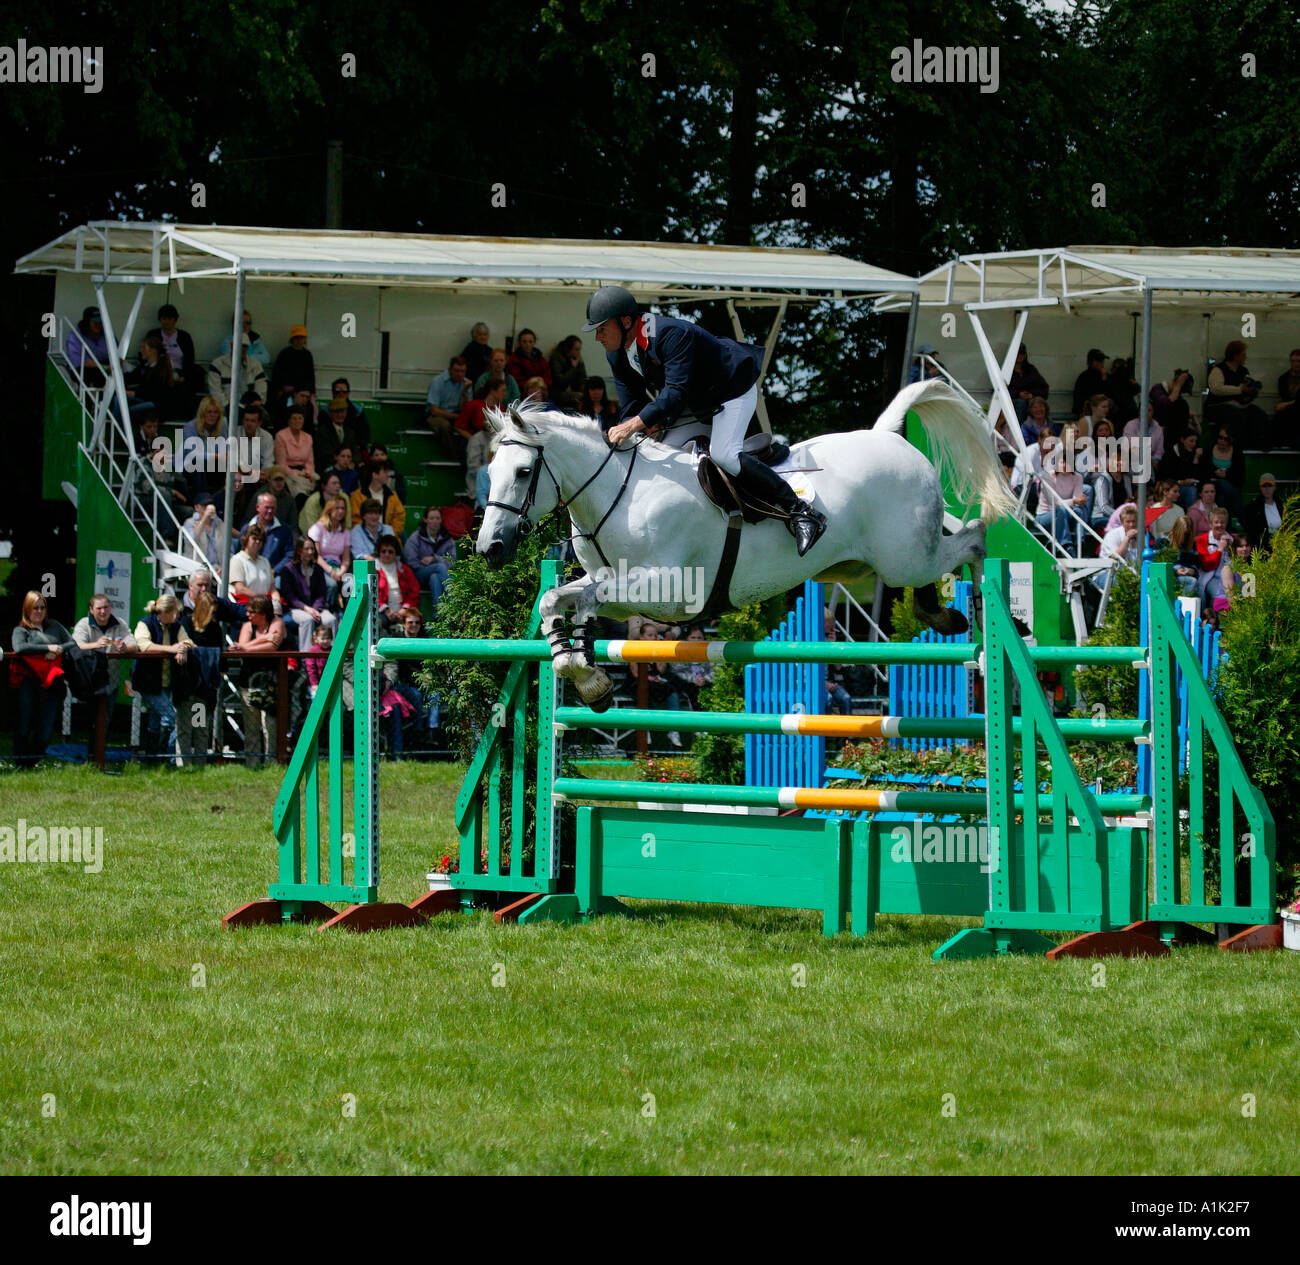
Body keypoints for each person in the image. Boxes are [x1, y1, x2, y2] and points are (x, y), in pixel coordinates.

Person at [585, 284, 826, 554]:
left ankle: (802, 512)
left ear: (626, 321)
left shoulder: (671, 334)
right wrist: (637, 427)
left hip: (731, 390)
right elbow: (631, 402)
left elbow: (675, 392)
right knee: (660, 455)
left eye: (602, 329)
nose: (598, 337)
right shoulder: (616, 353)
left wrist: (633, 425)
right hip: (695, 400)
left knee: (724, 455)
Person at [10, 592, 76, 767]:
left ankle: (30, 762)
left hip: (51, 683)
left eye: (42, 607)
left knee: (45, 731)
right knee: (24, 724)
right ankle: (20, 764)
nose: (39, 611)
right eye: (35, 608)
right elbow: (20, 647)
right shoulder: (21, 630)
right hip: (29, 682)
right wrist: (46, 647)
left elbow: (72, 642)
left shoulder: (54, 625)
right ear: (27, 609)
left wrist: (57, 649)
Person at [131, 592, 192, 760]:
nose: (178, 615)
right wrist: (172, 649)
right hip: (148, 680)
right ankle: (169, 757)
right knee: (171, 718)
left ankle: (152, 758)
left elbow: (188, 641)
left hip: (166, 680)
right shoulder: (145, 624)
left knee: (156, 720)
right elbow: (144, 645)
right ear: (165, 612)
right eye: (175, 612)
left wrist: (183, 649)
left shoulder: (176, 626)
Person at [175, 586, 225, 766]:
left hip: (203, 689)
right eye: (211, 612)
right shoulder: (186, 624)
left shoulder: (215, 629)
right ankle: (183, 764)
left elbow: (219, 656)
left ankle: (200, 763)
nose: (213, 616)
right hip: (186, 686)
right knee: (184, 727)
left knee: (200, 726)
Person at [72, 593, 138, 723]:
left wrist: (125, 647)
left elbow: (134, 645)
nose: (103, 611)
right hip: (89, 681)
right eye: (99, 608)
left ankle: (100, 742)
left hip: (110, 682)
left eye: (106, 607)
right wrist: (96, 645)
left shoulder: (119, 623)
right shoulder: (83, 624)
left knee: (105, 720)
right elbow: (76, 646)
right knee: (91, 720)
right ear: (91, 609)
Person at [236, 595, 285, 769]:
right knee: (251, 727)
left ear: (262, 613)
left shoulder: (277, 622)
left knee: (270, 726)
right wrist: (262, 639)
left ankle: (271, 763)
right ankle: (252, 764)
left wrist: (248, 646)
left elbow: (272, 646)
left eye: (251, 612)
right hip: (248, 682)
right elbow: (241, 649)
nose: (248, 615)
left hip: (270, 684)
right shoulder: (247, 626)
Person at [1206, 339, 1268, 448]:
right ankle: (1238, 445)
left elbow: (1245, 390)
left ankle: (1258, 443)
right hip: (1217, 406)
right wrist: (1239, 389)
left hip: (1239, 405)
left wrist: (1251, 392)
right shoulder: (1219, 369)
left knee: (1259, 414)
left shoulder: (1243, 371)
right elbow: (1216, 389)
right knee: (1236, 416)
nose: (1245, 357)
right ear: (1235, 356)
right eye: (1243, 354)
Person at [280, 537, 338, 651]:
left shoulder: (317, 569)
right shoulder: (288, 569)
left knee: (331, 619)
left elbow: (322, 594)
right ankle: (306, 657)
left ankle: (333, 656)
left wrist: (315, 609)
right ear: (299, 550)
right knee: (307, 620)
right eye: (306, 549)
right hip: (296, 608)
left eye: (312, 549)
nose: (310, 552)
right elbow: (289, 596)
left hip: (316, 608)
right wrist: (307, 609)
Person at [145, 304, 199, 415]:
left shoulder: (185, 337)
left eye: (170, 319)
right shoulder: (153, 335)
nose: (167, 322)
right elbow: (146, 354)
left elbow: (190, 359)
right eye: (164, 318)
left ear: (175, 320)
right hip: (158, 372)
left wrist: (184, 376)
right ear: (160, 319)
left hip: (178, 373)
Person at [124, 333, 186, 420]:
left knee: (126, 411)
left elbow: (152, 393)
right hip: (146, 399)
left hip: (157, 404)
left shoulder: (161, 369)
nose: (141, 350)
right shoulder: (145, 367)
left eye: (144, 348)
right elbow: (131, 377)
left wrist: (130, 393)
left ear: (153, 350)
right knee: (118, 401)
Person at [403, 505, 456, 605]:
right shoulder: (416, 537)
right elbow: (411, 562)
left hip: (440, 576)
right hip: (419, 574)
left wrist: (434, 559)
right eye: (431, 518)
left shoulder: (447, 538)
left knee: (434, 577)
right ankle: (453, 602)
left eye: (437, 518)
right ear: (425, 520)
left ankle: (437, 615)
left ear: (441, 520)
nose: (435, 521)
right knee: (439, 567)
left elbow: (452, 562)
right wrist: (426, 565)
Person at [307, 494, 354, 607]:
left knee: (350, 583)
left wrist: (341, 572)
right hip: (321, 567)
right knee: (332, 585)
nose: (340, 511)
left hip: (338, 567)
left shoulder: (344, 532)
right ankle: (330, 611)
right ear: (329, 509)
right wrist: (331, 572)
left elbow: (346, 558)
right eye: (337, 508)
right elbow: (316, 556)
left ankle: (348, 616)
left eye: (343, 508)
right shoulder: (318, 528)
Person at [238, 492, 294, 575]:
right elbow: (239, 551)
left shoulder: (285, 530)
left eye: (273, 508)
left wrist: (275, 571)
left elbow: (289, 555)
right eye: (267, 507)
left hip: (275, 574)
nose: (270, 511)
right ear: (258, 507)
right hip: (249, 572)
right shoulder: (247, 529)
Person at [206, 334, 268, 408]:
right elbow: (215, 392)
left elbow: (261, 392)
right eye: (239, 345)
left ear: (248, 348)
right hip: (223, 410)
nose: (242, 348)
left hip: (250, 411)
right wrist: (228, 408)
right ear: (231, 345)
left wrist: (250, 408)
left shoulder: (256, 366)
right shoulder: (217, 364)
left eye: (244, 346)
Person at [349, 460, 406, 539]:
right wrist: (368, 535)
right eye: (385, 472)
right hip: (363, 540)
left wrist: (390, 534)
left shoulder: (393, 496)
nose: (388, 475)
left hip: (389, 541)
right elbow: (355, 519)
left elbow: (399, 517)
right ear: (375, 475)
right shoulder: (357, 496)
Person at [425, 356, 472, 450]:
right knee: (444, 425)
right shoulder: (438, 382)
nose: (460, 374)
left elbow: (466, 411)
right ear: (450, 370)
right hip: (437, 416)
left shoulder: (466, 383)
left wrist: (464, 394)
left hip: (456, 416)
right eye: (457, 371)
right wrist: (456, 417)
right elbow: (434, 410)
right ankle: (453, 455)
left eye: (463, 371)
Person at [274, 404, 317, 500]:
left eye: (300, 418)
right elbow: (281, 464)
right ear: (288, 420)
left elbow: (310, 462)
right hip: (288, 474)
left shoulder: (308, 437)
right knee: (299, 493)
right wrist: (297, 474)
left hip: (305, 473)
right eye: (294, 418)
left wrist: (308, 472)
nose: (297, 421)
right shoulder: (281, 436)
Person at [374, 535, 419, 627]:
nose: (387, 554)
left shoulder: (405, 570)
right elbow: (372, 594)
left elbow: (415, 592)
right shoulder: (373, 570)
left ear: (396, 554)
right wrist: (387, 610)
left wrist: (405, 609)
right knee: (377, 623)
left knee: (415, 622)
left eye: (390, 552)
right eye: (383, 551)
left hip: (404, 612)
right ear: (379, 552)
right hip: (382, 612)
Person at [270, 325, 315, 416]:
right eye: (296, 337)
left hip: (303, 392)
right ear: (292, 339)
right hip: (287, 392)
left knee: (308, 412)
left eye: (301, 337)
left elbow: (311, 374)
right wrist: (278, 390)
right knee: (286, 412)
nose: (299, 340)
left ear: (304, 339)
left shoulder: (307, 355)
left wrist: (312, 392)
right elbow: (277, 374)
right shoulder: (284, 353)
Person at [1203, 424, 1245, 518]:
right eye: (1220, 437)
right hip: (1211, 485)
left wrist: (1226, 475)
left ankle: (1227, 525)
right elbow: (1203, 471)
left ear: (1231, 440)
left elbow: (1240, 478)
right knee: (1222, 485)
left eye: (1225, 439)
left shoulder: (1237, 453)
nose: (1222, 441)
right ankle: (1241, 519)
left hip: (1230, 486)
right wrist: (1215, 474)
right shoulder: (1209, 450)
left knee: (1222, 498)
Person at [230, 523, 276, 607]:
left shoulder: (265, 561)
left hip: (266, 605)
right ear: (246, 539)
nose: (258, 542)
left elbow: (272, 588)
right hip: (247, 606)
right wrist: (262, 599)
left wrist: (277, 602)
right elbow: (240, 589)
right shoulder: (237, 560)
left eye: (260, 540)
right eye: (254, 538)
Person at [1157, 428, 1206, 508]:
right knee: (1191, 491)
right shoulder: (1171, 454)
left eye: (1195, 442)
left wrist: (1196, 458)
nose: (1194, 444)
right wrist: (1180, 482)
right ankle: (1190, 517)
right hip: (1171, 488)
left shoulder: (1195, 453)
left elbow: (1197, 475)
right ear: (1182, 440)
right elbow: (1164, 476)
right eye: (1191, 441)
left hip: (1189, 487)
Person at [319, 377, 370, 451]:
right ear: (333, 393)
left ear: (348, 393)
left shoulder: (358, 411)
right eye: (337, 391)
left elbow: (364, 437)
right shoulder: (324, 412)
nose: (341, 394)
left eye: (344, 391)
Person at [1195, 508, 1234, 601]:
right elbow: (1206, 566)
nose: (1219, 525)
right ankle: (1216, 615)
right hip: (1210, 578)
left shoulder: (1232, 540)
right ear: (1210, 524)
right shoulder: (1202, 540)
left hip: (1231, 576)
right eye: (1216, 522)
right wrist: (1220, 549)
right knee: (1220, 595)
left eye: (1222, 522)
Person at [178, 496, 224, 575]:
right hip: (198, 568)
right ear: (196, 507)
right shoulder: (189, 522)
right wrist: (204, 518)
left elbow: (229, 549)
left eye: (210, 504)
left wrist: (224, 567)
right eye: (205, 505)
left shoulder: (219, 523)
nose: (208, 507)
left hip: (219, 569)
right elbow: (191, 540)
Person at [64, 305, 109, 384]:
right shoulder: (75, 336)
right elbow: (82, 362)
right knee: (97, 374)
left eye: (100, 321)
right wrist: (105, 368)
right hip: (84, 370)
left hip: (106, 367)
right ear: (87, 322)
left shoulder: (106, 335)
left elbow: (118, 353)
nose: (98, 324)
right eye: (95, 322)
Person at [314, 395, 359, 473]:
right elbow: (324, 455)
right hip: (330, 470)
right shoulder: (323, 432)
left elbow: (356, 452)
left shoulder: (350, 432)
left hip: (348, 468)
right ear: (330, 414)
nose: (340, 415)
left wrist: (353, 463)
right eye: (336, 412)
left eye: (342, 412)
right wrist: (341, 465)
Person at [299, 471, 352, 537]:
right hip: (311, 535)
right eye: (334, 483)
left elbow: (348, 523)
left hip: (337, 535)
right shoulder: (313, 500)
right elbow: (310, 527)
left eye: (339, 483)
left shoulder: (344, 497)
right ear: (323, 486)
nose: (338, 486)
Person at [1242, 473, 1284, 553]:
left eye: (1270, 486)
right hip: (1263, 548)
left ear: (1274, 487)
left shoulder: (1281, 504)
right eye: (1264, 486)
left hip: (1281, 544)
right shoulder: (1252, 507)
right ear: (1260, 488)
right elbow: (1252, 531)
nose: (1267, 489)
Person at [457, 375, 508, 441]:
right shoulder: (474, 405)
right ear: (492, 391)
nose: (505, 394)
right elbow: (459, 427)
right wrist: (474, 440)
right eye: (503, 390)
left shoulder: (502, 409)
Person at [1008, 344, 1049, 421]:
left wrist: (1031, 394)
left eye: (1022, 354)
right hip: (1012, 403)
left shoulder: (1031, 370)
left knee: (1038, 405)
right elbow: (999, 390)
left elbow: (1044, 389)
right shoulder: (1007, 370)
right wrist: (1018, 394)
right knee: (1021, 403)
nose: (1020, 356)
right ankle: (1019, 430)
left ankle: (1042, 427)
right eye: (1018, 354)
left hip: (1031, 401)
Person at [349, 497, 398, 562]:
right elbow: (358, 555)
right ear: (363, 516)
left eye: (376, 513)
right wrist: (376, 563)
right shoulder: (356, 531)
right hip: (364, 564)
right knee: (359, 565)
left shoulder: (388, 529)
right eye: (370, 513)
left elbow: (393, 552)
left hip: (385, 564)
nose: (374, 516)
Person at [1149, 368, 1194, 437]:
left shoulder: (1176, 397)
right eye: (1182, 390)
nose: (1180, 393)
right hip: (1150, 433)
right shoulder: (1157, 389)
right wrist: (1178, 385)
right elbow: (1166, 404)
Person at [549, 335, 587, 409]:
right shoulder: (556, 359)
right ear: (568, 349)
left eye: (579, 349)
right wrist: (573, 368)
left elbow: (583, 379)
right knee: (580, 398)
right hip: (558, 393)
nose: (578, 352)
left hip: (574, 391)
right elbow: (560, 382)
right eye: (576, 349)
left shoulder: (578, 359)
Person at [1072, 349, 1108, 418]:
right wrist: (1103, 380)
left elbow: (1109, 394)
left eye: (1102, 361)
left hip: (1102, 413)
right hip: (1087, 412)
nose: (1102, 363)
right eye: (1099, 361)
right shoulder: (1084, 377)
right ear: (1092, 362)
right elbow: (1097, 393)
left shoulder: (1105, 375)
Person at [1220, 535, 1253, 603]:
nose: (1244, 548)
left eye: (1247, 546)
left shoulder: (1251, 567)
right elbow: (1230, 598)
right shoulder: (1228, 568)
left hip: (1245, 605)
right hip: (1225, 606)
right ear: (1235, 549)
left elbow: (1250, 594)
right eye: (1241, 546)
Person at [1275, 349, 1300, 438]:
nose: (1296, 364)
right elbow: (1284, 396)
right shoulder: (1283, 378)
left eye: (1298, 361)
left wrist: (1289, 403)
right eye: (1293, 361)